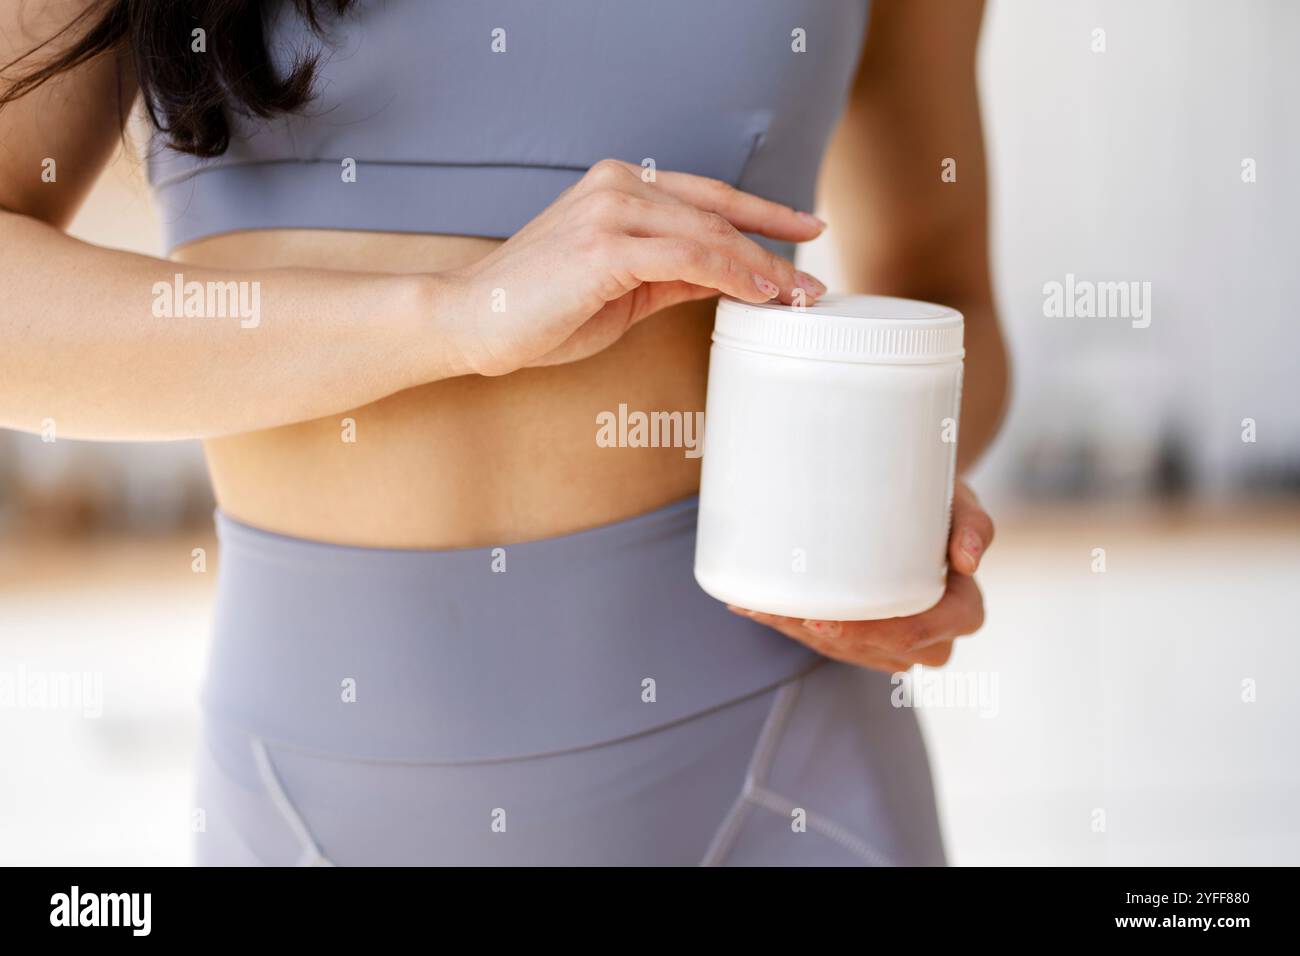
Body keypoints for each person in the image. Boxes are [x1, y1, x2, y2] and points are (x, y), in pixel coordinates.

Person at [0, 0, 1007, 865]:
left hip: (783, 775)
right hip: (310, 806)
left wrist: (882, 487)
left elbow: (943, 286)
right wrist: (454, 313)